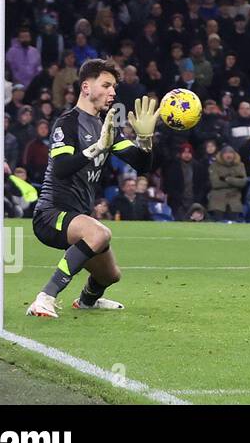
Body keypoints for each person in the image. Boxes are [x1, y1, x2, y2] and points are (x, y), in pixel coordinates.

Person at [27, 60, 158, 318]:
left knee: (110, 275)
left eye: (114, 87)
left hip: (79, 217)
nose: (113, 92)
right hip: (51, 214)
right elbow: (62, 167)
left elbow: (141, 166)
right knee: (100, 233)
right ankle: (45, 297)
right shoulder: (68, 122)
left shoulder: (106, 127)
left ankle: (87, 300)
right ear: (86, 87)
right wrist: (97, 147)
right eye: (106, 85)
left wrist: (145, 141)